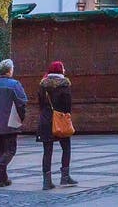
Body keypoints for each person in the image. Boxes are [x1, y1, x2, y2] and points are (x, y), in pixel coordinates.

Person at [0, 58, 27, 188]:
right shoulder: (14, 84)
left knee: (1, 151)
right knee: (10, 150)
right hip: (9, 123)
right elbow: (22, 102)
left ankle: (3, 178)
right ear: (9, 70)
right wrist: (21, 118)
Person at [37, 60, 77, 190]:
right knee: (66, 147)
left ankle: (46, 181)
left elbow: (40, 103)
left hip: (45, 120)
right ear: (60, 71)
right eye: (63, 68)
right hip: (60, 120)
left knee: (47, 151)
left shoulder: (43, 86)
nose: (65, 70)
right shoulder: (64, 86)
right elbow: (67, 106)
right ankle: (65, 177)